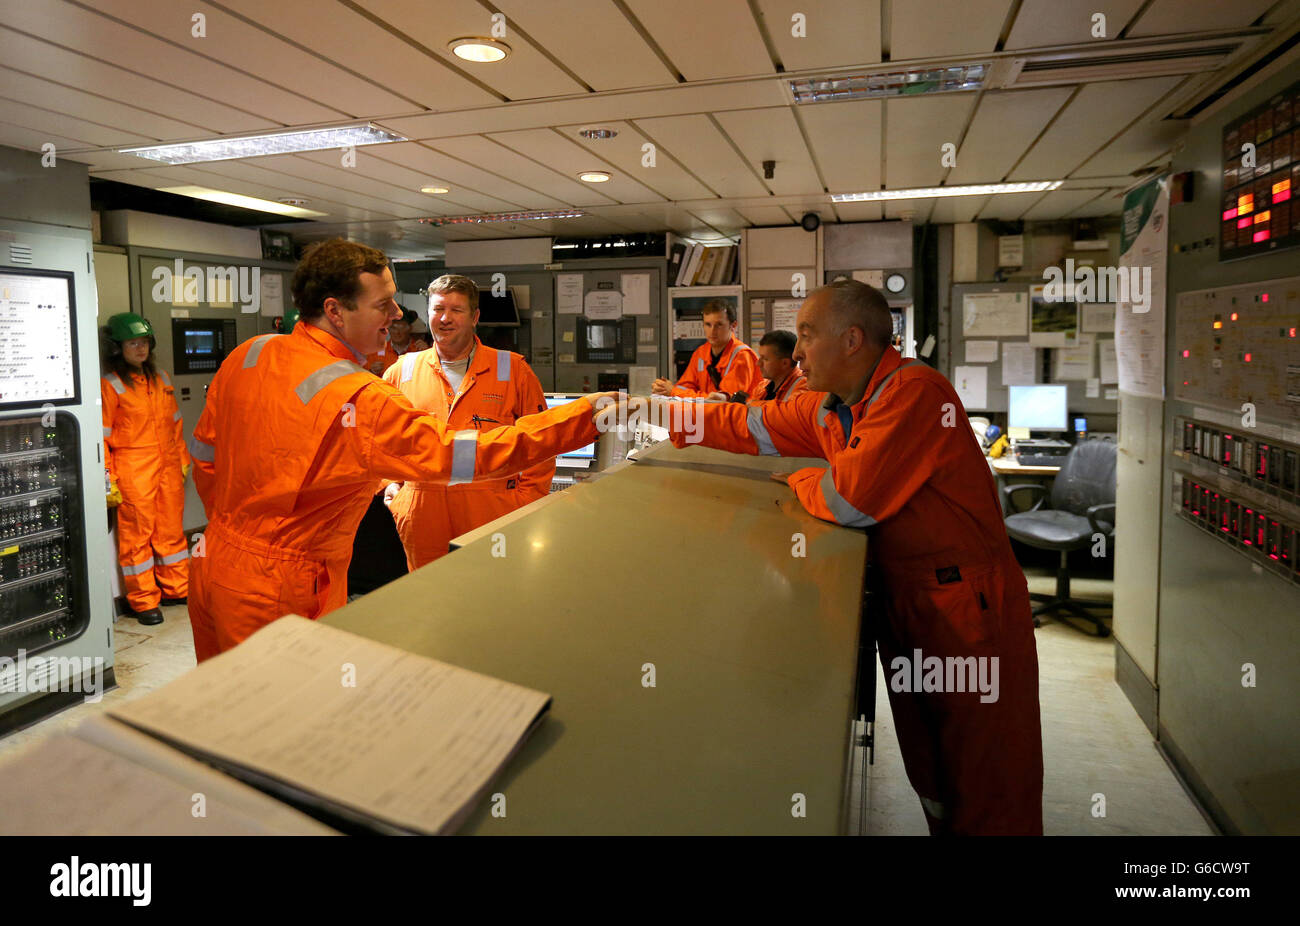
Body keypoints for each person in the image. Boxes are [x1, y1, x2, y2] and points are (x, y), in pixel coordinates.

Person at [637, 279, 1043, 835]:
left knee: (989, 779)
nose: (796, 352)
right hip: (911, 605)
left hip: (969, 610)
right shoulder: (833, 407)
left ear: (852, 340)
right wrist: (656, 413)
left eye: (807, 335)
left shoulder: (915, 393)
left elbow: (847, 501)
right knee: (933, 768)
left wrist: (810, 478)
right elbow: (748, 425)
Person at [187, 238, 621, 661]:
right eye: (383, 304)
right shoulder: (358, 396)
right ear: (335, 311)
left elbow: (205, 457)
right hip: (279, 586)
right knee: (284, 722)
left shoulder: (252, 352)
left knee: (227, 715)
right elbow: (459, 455)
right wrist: (587, 416)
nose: (397, 315)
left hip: (214, 562)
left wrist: (242, 532)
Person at [381, 275, 554, 570]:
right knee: (428, 600)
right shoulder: (402, 371)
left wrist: (522, 504)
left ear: (474, 317)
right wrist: (392, 489)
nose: (445, 318)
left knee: (490, 598)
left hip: (492, 514)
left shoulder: (513, 370)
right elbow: (380, 438)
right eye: (437, 309)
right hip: (422, 514)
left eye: (456, 310)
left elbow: (542, 442)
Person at [101, 313, 191, 626]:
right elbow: (103, 439)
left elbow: (175, 422)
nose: (140, 349)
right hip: (134, 466)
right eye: (133, 343)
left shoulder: (162, 379)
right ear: (117, 348)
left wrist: (181, 459)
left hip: (167, 462)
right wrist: (108, 479)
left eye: (144, 343)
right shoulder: (111, 385)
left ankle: (177, 588)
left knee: (170, 530)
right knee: (137, 536)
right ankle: (143, 601)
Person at [652, 300, 762, 401]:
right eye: (708, 324)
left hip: (736, 420)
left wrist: (673, 391)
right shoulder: (701, 353)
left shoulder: (742, 356)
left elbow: (719, 401)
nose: (712, 331)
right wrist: (664, 389)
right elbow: (684, 388)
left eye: (719, 325)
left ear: (733, 326)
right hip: (707, 417)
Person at [363, 308, 431, 375]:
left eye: (402, 328)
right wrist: (371, 371)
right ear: (388, 328)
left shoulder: (420, 351)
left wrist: (428, 355)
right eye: (393, 328)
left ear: (410, 328)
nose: (397, 332)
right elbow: (363, 377)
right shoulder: (375, 351)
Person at [749, 330, 809, 404]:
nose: (758, 363)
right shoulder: (763, 387)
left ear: (785, 363)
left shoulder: (803, 388)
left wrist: (752, 405)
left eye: (765, 359)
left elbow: (788, 410)